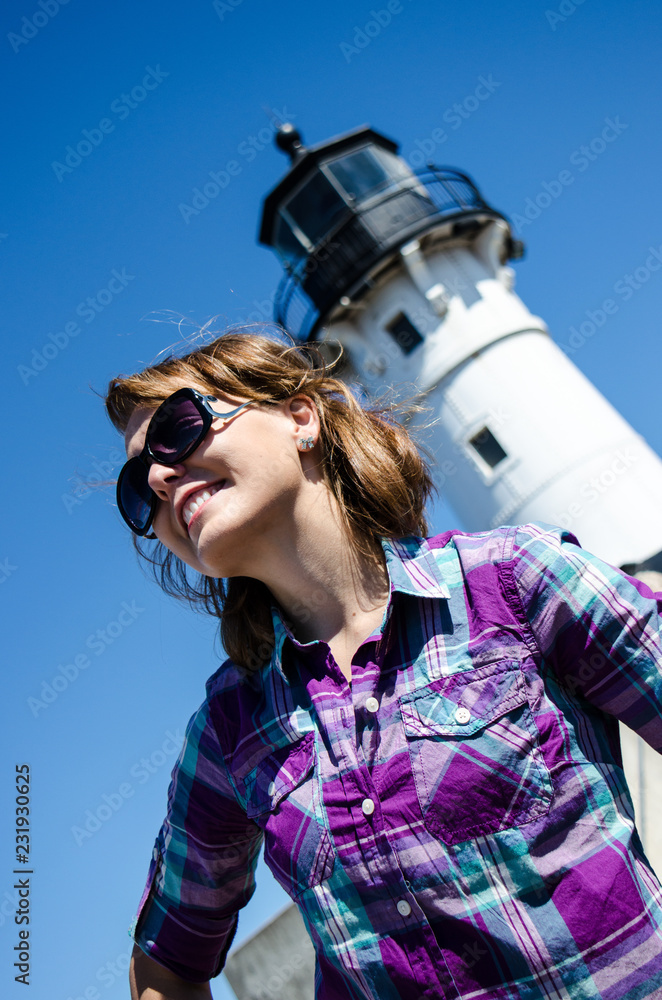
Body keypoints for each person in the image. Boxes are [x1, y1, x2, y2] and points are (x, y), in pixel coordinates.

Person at [106, 327, 662, 1000]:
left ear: (299, 417)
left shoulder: (514, 580)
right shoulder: (228, 734)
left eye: (178, 427)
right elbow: (168, 963)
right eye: (137, 488)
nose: (160, 477)